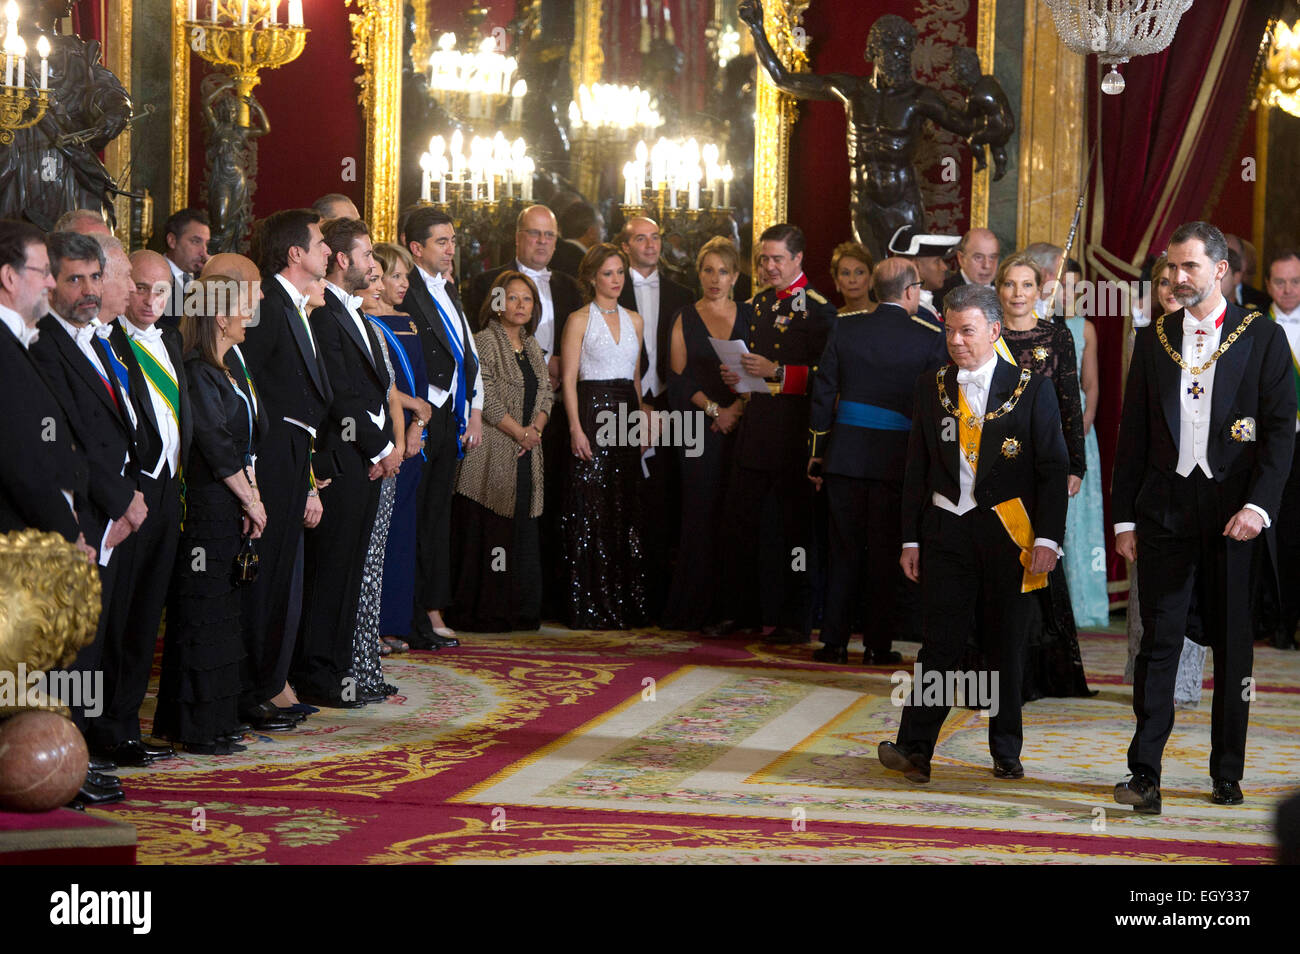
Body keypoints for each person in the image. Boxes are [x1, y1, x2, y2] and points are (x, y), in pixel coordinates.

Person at [1113, 221, 1296, 814]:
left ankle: (1227, 772)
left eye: (1188, 267)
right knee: (1158, 644)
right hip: (1165, 511)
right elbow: (1132, 436)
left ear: (1220, 270)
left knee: (1233, 649)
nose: (1175, 277)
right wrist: (1123, 520)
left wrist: (1259, 507)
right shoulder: (1154, 337)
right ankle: (1145, 774)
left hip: (1233, 514)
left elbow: (1278, 435)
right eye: (1171, 267)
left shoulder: (1263, 337)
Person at [878, 283, 1068, 783]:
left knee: (1005, 644)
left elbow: (1052, 468)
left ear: (994, 330)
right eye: (950, 331)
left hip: (1008, 532)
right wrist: (910, 539)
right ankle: (914, 747)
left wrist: (1048, 538)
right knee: (939, 644)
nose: (957, 341)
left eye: (968, 331)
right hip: (946, 531)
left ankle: (1006, 750)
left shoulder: (1031, 387)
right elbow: (915, 466)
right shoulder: (931, 386)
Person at [0, 220, 108, 805]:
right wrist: (69, 534)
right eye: (43, 272)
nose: (49, 285)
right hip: (18, 549)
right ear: (9, 277)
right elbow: (24, 463)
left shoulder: (21, 344)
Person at [30, 232, 149, 755]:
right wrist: (120, 499)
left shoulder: (100, 337)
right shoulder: (43, 344)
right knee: (70, 649)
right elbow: (68, 437)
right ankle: (60, 760)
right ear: (51, 282)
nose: (88, 290)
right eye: (74, 278)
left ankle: (90, 749)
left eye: (95, 277)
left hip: (116, 508)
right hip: (79, 513)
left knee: (99, 640)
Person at [809, 257, 947, 665]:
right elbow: (934, 408)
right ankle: (877, 646)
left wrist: (817, 453)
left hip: (844, 456)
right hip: (897, 463)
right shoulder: (929, 335)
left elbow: (823, 393)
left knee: (843, 551)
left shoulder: (846, 325)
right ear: (910, 292)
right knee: (885, 554)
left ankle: (832, 642)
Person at [155, 275, 267, 755]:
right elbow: (216, 445)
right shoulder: (199, 370)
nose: (251, 317)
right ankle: (194, 726)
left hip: (232, 502)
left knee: (225, 614)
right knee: (202, 613)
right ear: (221, 317)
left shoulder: (228, 369)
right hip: (205, 507)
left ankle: (220, 718)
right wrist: (250, 499)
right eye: (245, 307)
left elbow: (244, 443)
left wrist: (252, 494)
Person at [292, 217, 398, 708]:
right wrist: (380, 449)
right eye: (367, 254)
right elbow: (340, 395)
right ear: (342, 260)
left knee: (351, 570)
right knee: (329, 571)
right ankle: (316, 674)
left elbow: (374, 389)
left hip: (364, 459)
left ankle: (338, 672)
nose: (373, 264)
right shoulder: (324, 313)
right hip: (342, 457)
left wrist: (382, 449)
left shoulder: (352, 311)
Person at [89, 246, 190, 767]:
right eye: (140, 287)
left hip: (169, 493)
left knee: (147, 615)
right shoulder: (112, 341)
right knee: (118, 614)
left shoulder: (170, 339)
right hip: (130, 493)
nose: (149, 299)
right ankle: (104, 728)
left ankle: (127, 723)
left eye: (159, 290)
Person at [236, 210, 333, 731]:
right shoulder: (269, 304)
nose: (327, 251)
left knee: (284, 577)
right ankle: (254, 688)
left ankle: (271, 682)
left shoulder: (294, 305)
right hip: (270, 457)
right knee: (266, 574)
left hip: (295, 455)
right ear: (295, 254)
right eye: (319, 243)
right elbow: (249, 389)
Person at [721, 224, 837, 643]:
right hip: (756, 430)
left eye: (777, 259)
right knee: (743, 525)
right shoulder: (758, 304)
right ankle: (746, 612)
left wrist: (779, 373)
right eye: (764, 260)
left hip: (794, 434)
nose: (769, 267)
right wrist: (736, 376)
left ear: (798, 259)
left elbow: (829, 378)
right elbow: (754, 372)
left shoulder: (820, 309)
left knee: (795, 532)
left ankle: (795, 619)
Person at [994, 252, 1092, 699]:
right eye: (1009, 285)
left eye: (1026, 285)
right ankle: (997, 672)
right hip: (993, 465)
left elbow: (1071, 401)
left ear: (1040, 290)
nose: (1017, 294)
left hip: (1042, 466)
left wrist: (1075, 464)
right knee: (998, 562)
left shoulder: (1057, 337)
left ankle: (1043, 672)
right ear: (998, 290)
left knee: (1040, 556)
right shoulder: (986, 335)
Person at [1123, 254, 1208, 707]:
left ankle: (1186, 682)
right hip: (1155, 487)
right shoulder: (1146, 341)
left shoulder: (1221, 341)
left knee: (1194, 597)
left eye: (1179, 281)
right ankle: (1147, 679)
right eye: (1162, 285)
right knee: (1149, 598)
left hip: (1203, 490)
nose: (1172, 290)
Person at [449, 272, 553, 631]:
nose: (521, 305)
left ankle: (519, 610)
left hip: (527, 453)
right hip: (492, 452)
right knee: (491, 532)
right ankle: (485, 612)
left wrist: (534, 430)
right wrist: (519, 432)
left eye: (527, 299)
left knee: (521, 532)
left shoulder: (532, 345)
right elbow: (485, 396)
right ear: (496, 302)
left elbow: (546, 394)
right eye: (513, 298)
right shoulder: (483, 341)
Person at [400, 207, 483, 648]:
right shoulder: (405, 289)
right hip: (420, 416)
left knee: (437, 515)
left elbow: (465, 350)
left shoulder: (449, 288)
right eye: (442, 242)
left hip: (450, 414)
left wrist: (474, 407)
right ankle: (413, 613)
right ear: (417, 248)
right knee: (416, 516)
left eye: (453, 240)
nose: (452, 249)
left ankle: (432, 606)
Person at [662, 237, 752, 632]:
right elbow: (677, 379)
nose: (715, 279)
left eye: (723, 271)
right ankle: (694, 608)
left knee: (737, 517)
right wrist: (716, 411)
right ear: (699, 273)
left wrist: (736, 411)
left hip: (744, 429)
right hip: (697, 428)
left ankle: (735, 610)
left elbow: (761, 373)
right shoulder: (684, 316)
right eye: (708, 270)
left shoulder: (751, 315)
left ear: (735, 276)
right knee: (699, 514)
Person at [559, 243, 648, 628]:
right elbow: (567, 380)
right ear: (593, 277)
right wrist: (577, 429)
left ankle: (625, 603)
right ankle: (591, 605)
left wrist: (642, 421)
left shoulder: (636, 319)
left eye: (620, 273)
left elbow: (635, 377)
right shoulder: (579, 319)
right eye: (608, 273)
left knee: (623, 509)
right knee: (591, 510)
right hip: (592, 413)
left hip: (627, 413)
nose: (615, 280)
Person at [619, 215, 694, 620]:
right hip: (621, 405)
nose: (650, 245)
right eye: (641, 238)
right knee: (627, 494)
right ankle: (625, 594)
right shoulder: (611, 283)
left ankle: (662, 599)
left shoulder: (683, 292)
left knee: (666, 497)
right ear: (626, 244)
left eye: (655, 238)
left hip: (670, 404)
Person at [364, 242, 433, 651]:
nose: (403, 283)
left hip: (414, 440)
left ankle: (395, 622)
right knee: (379, 534)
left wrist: (419, 426)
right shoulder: (362, 322)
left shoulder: (407, 321)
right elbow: (380, 383)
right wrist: (407, 417)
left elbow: (421, 388)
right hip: (384, 438)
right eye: (395, 276)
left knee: (404, 532)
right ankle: (369, 626)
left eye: (407, 276)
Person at [348, 268, 411, 685]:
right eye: (371, 279)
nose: (378, 287)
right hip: (364, 456)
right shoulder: (350, 327)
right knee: (360, 567)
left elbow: (390, 396)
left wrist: (399, 445)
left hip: (386, 454)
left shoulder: (376, 331)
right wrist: (383, 449)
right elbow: (348, 398)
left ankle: (366, 662)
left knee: (375, 562)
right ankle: (354, 660)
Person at [1061, 263, 1110, 629]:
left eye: (1074, 289)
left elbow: (1090, 385)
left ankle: (1083, 604)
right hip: (1043, 429)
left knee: (1080, 518)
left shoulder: (1085, 328)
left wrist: (1083, 425)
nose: (1067, 295)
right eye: (1061, 287)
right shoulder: (1034, 326)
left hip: (1079, 430)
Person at [1264, 249, 1300, 650]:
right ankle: (1279, 621)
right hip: (1274, 445)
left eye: (1295, 281)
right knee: (1276, 535)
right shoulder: (1256, 326)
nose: (1288, 290)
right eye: (1280, 282)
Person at [888, 225, 960, 324]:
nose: (944, 267)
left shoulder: (927, 305)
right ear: (915, 267)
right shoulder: (912, 312)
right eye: (937, 261)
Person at [160, 208, 211, 327]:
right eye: (196, 241)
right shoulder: (153, 277)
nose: (204, 252)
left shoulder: (206, 277)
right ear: (172, 241)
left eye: (206, 244)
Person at [934, 227, 999, 312]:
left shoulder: (1004, 291)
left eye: (992, 257)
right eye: (978, 257)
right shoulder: (940, 295)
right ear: (961, 258)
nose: (987, 265)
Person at [551, 201, 604, 278]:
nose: (604, 233)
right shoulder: (585, 266)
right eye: (602, 227)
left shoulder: (552, 254)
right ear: (592, 232)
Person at [830, 241, 875, 314]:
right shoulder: (831, 322)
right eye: (845, 273)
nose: (852, 280)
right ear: (836, 281)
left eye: (859, 272)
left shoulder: (889, 315)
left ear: (871, 278)